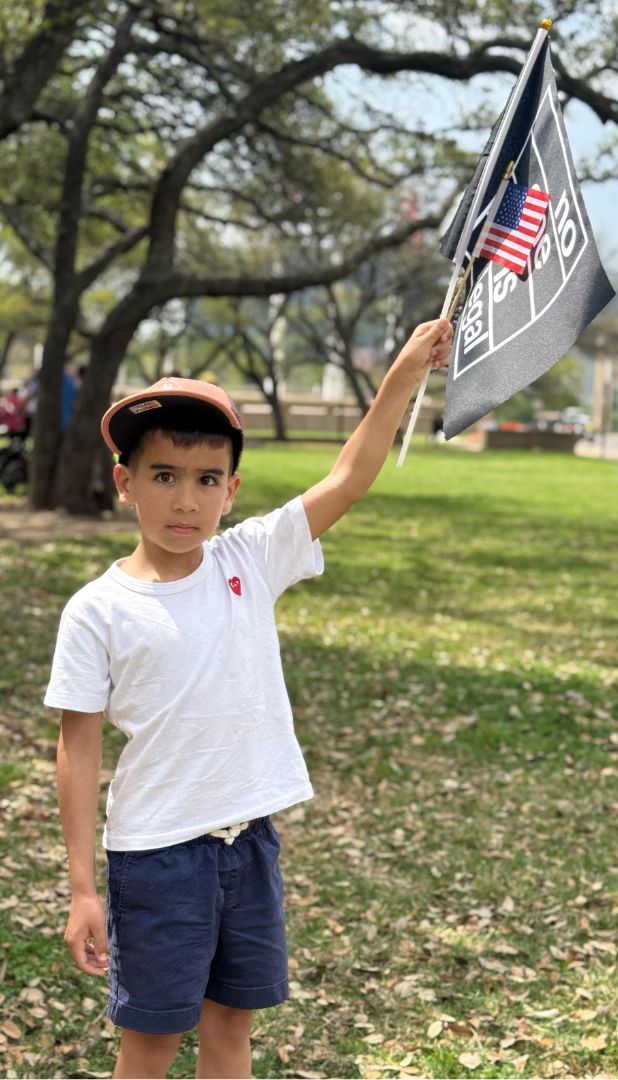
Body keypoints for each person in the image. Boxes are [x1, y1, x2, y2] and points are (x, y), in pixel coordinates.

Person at [45, 322, 452, 1077]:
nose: (184, 499)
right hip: (157, 855)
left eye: (206, 480)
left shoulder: (248, 559)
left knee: (232, 1030)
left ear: (231, 491)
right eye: (162, 475)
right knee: (153, 1043)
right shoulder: (97, 609)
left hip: (248, 845)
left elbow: (350, 476)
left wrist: (399, 373)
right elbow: (78, 747)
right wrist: (79, 889)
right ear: (124, 481)